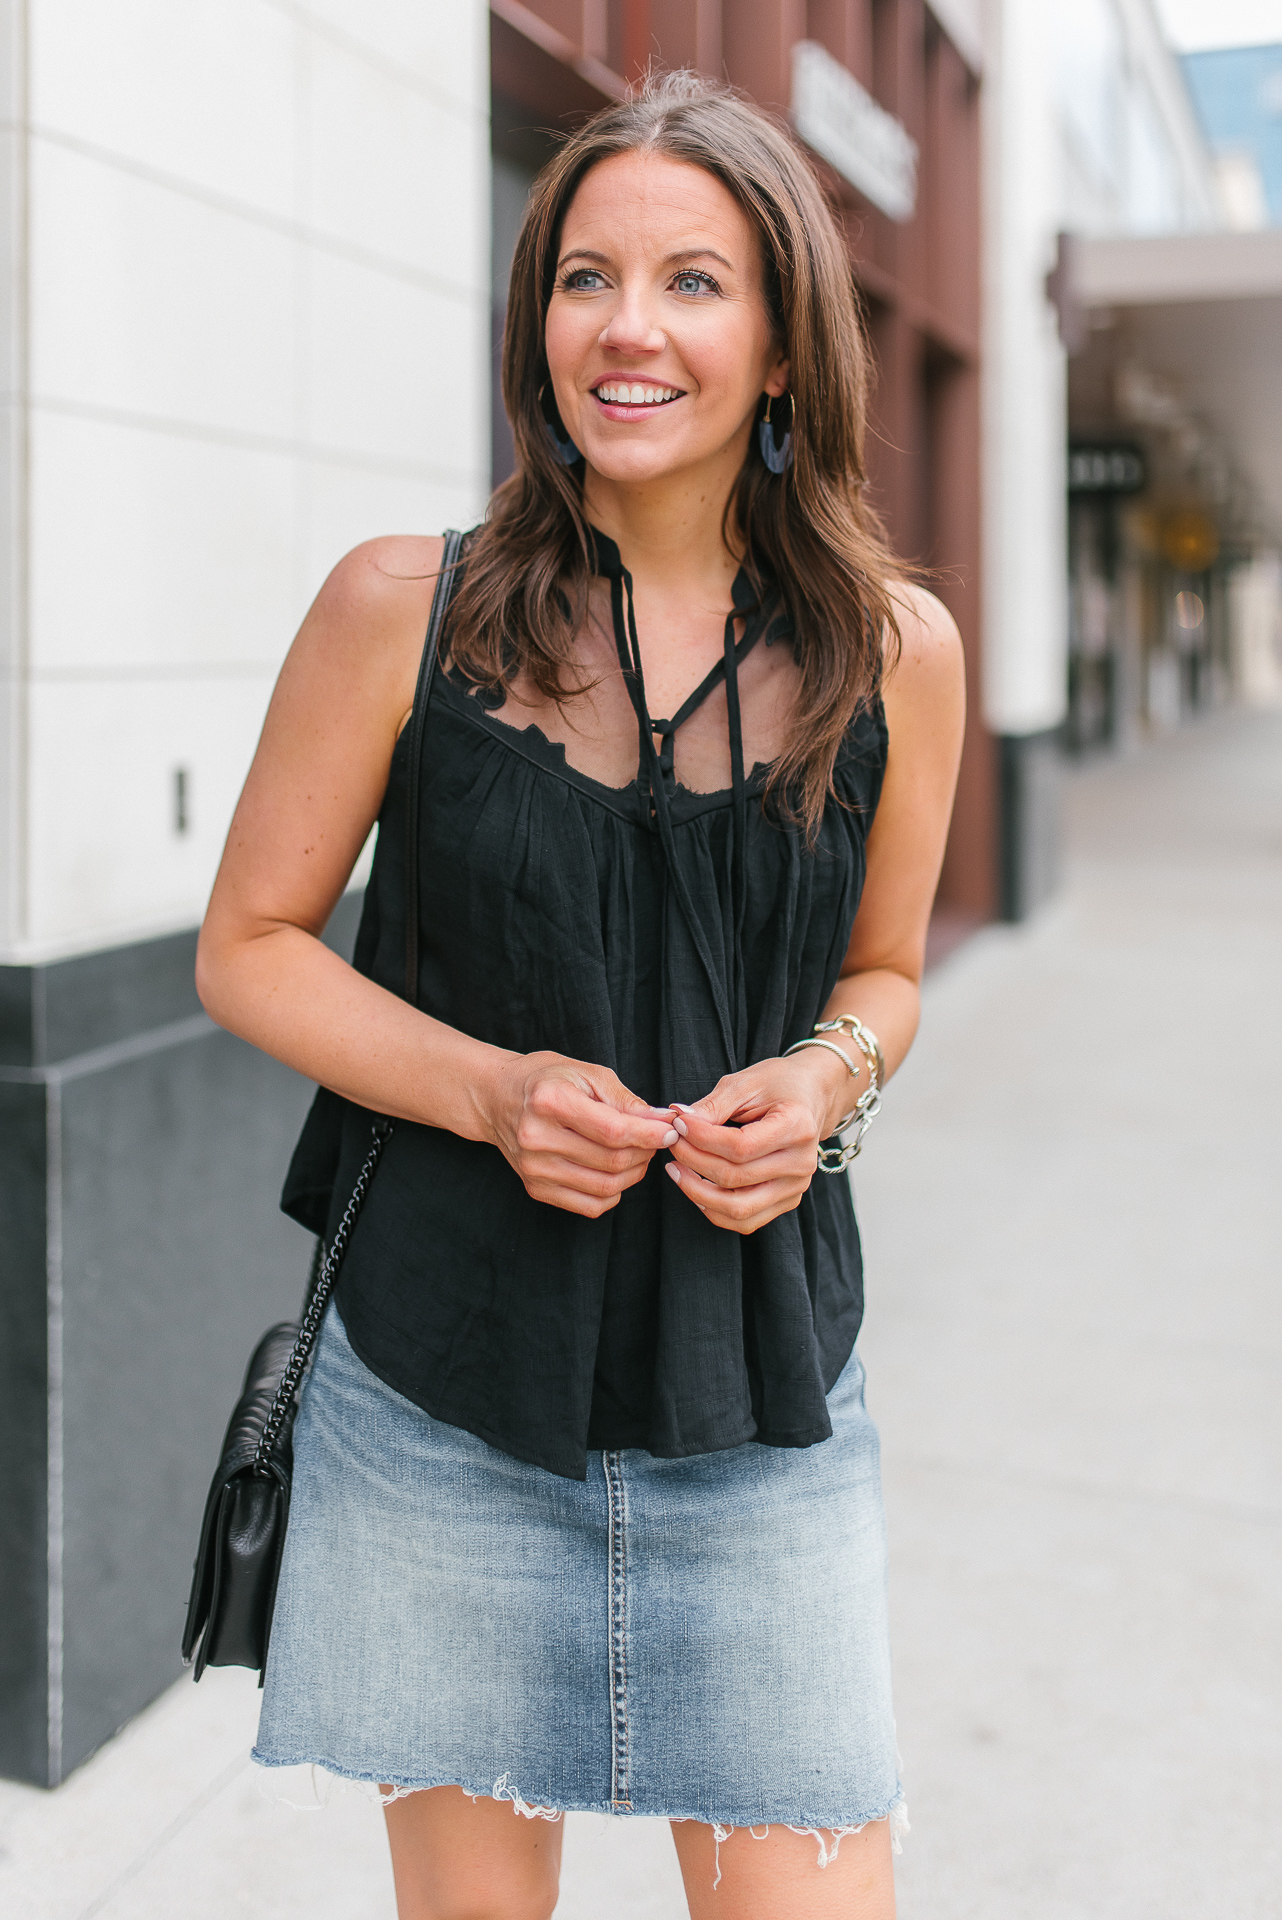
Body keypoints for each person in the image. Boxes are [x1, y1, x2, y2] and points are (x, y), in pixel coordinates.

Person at [197, 71, 963, 1920]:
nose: (627, 327)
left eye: (692, 281)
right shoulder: (399, 608)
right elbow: (248, 947)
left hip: (760, 1403)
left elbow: (884, 970)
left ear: (781, 344)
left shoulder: (895, 650)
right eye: (583, 277)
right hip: (442, 1403)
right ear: (534, 318)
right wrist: (488, 1091)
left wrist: (826, 1078)